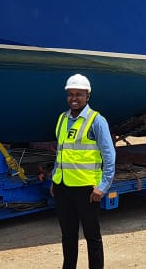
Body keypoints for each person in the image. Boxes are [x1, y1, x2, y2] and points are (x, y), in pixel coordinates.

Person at [51, 74, 114, 269]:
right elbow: (61, 152)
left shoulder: (97, 120)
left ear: (88, 96)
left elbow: (109, 155)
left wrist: (103, 186)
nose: (74, 98)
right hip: (63, 187)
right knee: (68, 235)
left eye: (79, 94)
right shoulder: (62, 118)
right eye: (71, 94)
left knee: (92, 236)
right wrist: (55, 179)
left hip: (87, 189)